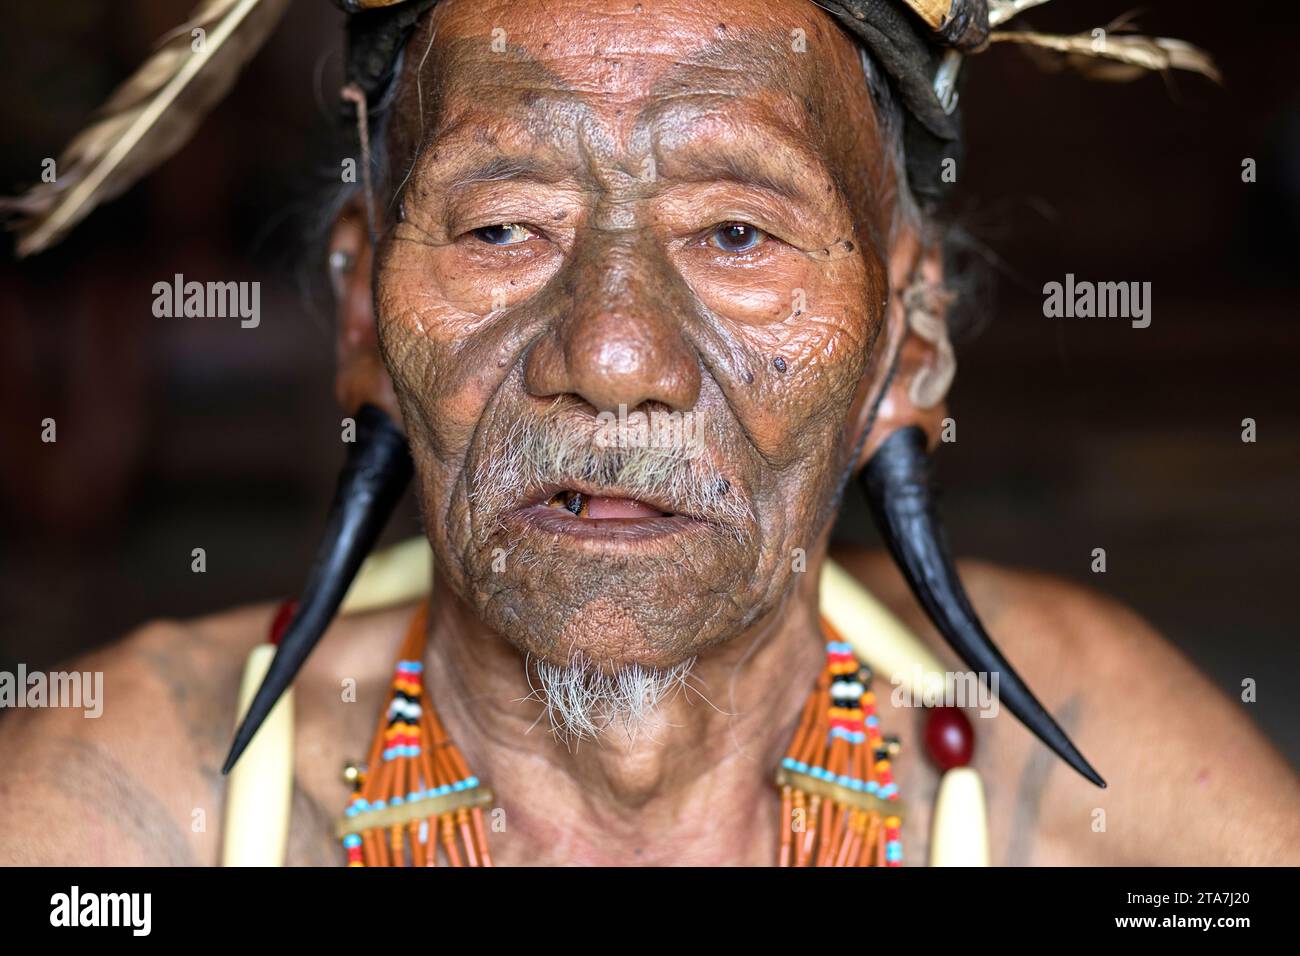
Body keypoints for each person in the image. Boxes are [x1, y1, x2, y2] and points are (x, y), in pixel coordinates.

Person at [1, 0, 1296, 866]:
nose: (613, 358)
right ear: (361, 316)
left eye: (737, 233)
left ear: (910, 343)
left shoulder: (1094, 786)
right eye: (503, 227)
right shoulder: (122, 801)